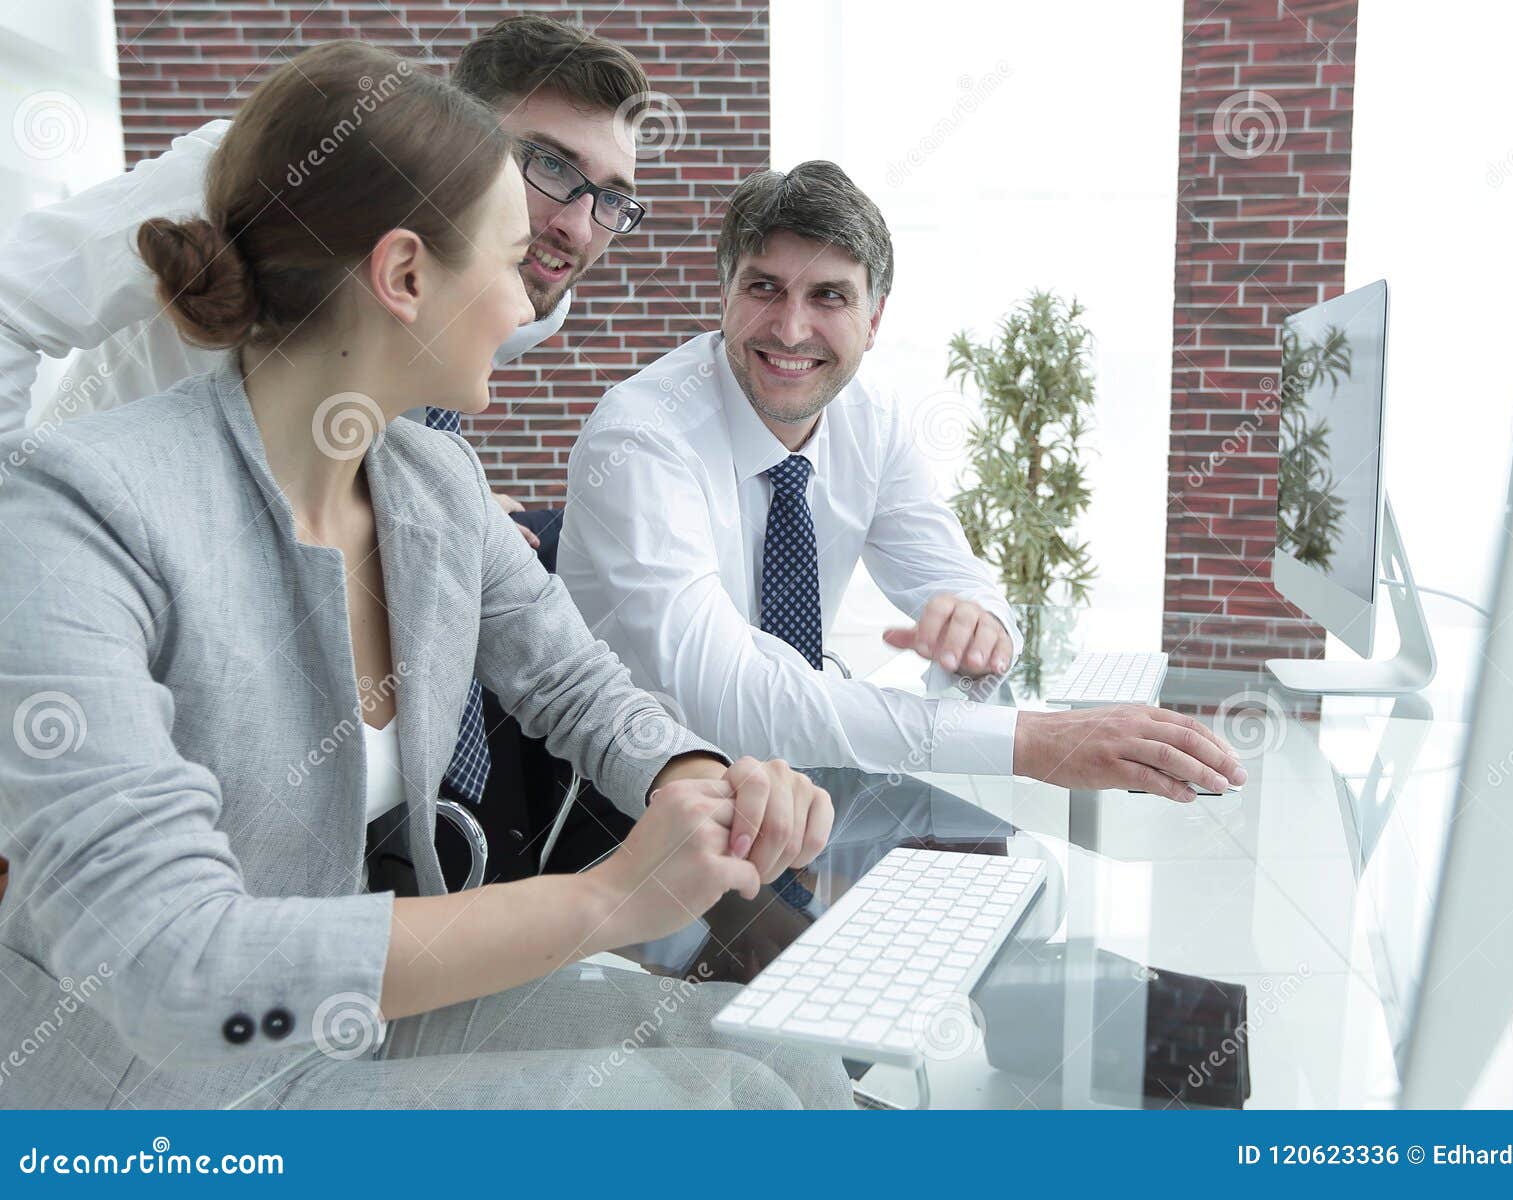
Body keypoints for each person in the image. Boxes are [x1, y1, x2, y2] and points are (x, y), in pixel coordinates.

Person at [0, 42, 848, 1111]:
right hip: (164, 1096)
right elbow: (176, 973)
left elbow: (574, 684)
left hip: (346, 1024)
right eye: (506, 263)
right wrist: (603, 901)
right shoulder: (84, 506)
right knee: (732, 1107)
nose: (532, 304)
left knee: (790, 1056)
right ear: (404, 276)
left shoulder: (432, 481)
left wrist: (695, 778)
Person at [561, 161, 1246, 803]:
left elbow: (961, 580)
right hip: (636, 814)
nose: (792, 328)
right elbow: (725, 695)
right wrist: (1031, 742)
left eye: (829, 296)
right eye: (763, 287)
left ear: (875, 319)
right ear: (726, 293)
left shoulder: (870, 419)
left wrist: (981, 625)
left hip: (797, 800)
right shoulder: (643, 436)